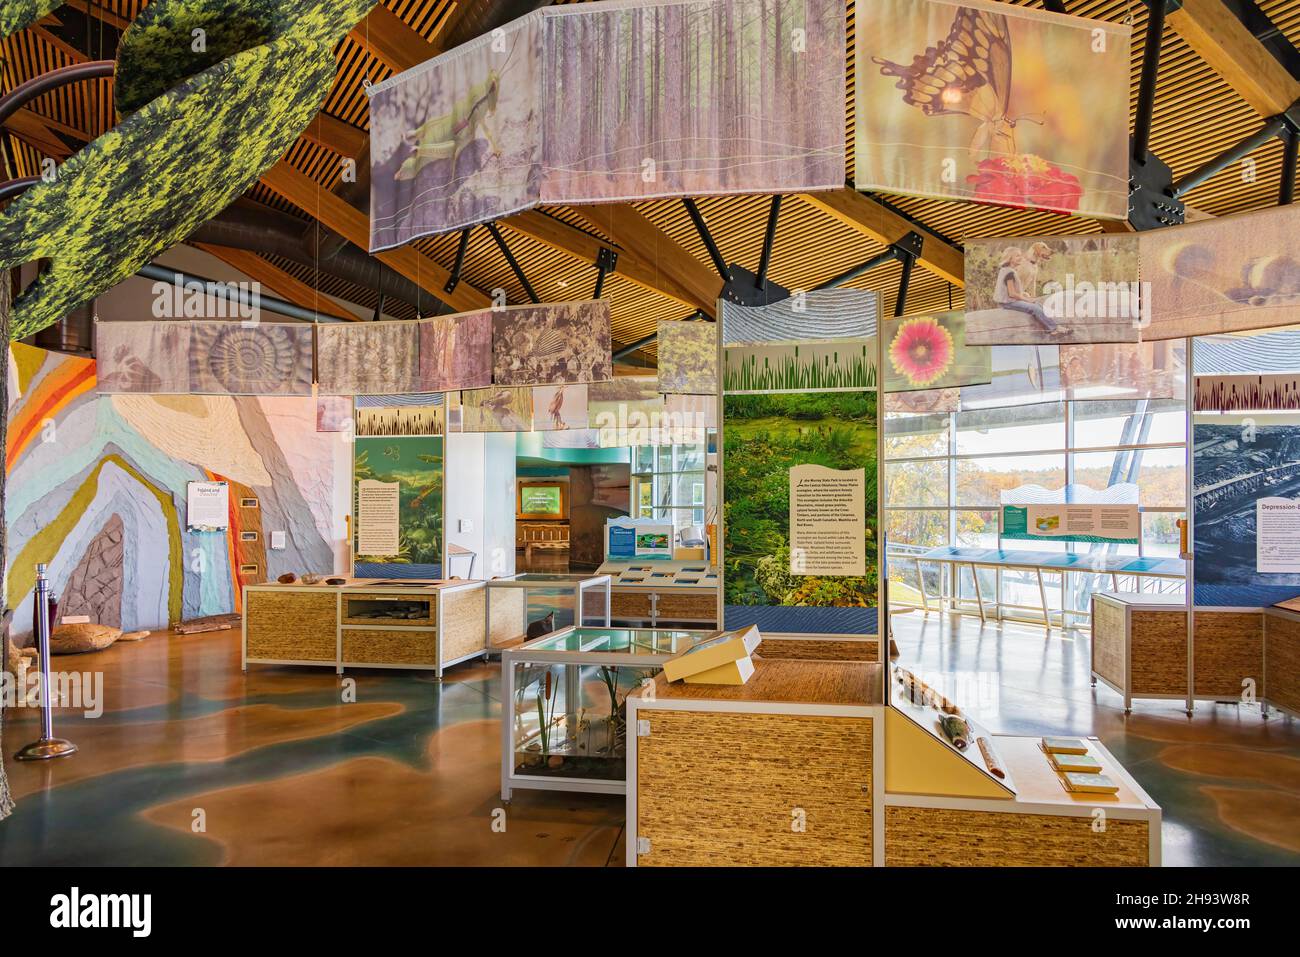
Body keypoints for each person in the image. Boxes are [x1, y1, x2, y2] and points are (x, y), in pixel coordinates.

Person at [992, 246, 1065, 336]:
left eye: (1021, 255)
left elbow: (1011, 290)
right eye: (1017, 256)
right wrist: (1026, 299)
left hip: (1009, 300)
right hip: (1007, 303)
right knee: (1034, 308)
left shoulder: (1007, 270)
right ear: (1010, 259)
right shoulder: (1009, 273)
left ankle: (1052, 325)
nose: (1021, 258)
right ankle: (1053, 328)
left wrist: (1024, 294)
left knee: (1037, 304)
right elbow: (1011, 294)